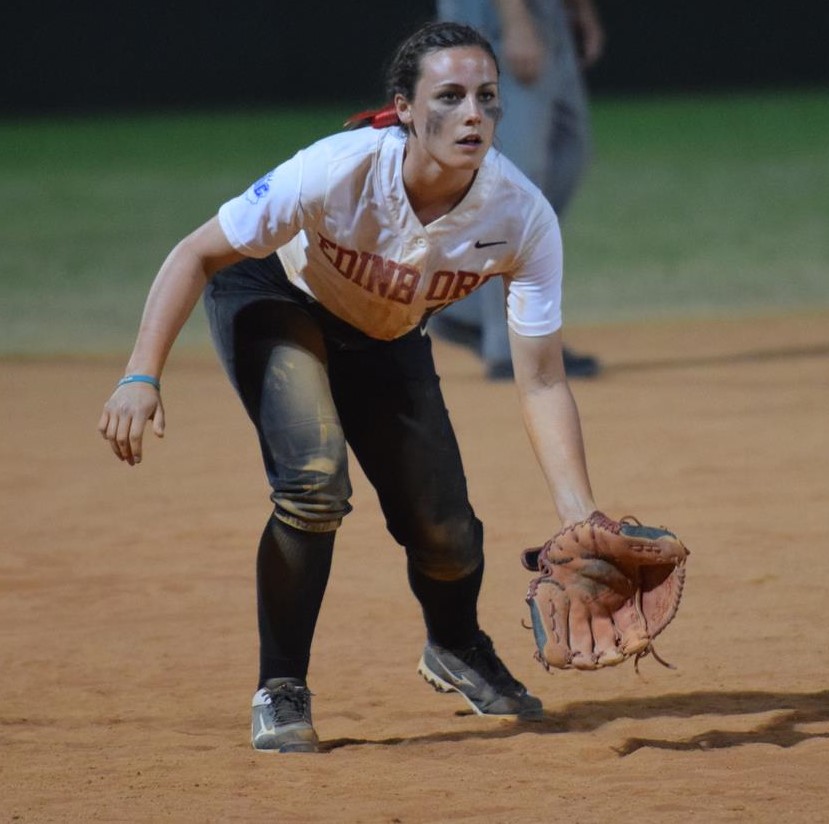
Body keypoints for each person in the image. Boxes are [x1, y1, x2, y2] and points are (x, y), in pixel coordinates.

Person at [98, 21, 599, 754]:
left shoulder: (519, 216)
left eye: (486, 98)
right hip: (276, 297)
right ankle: (281, 687)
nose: (473, 114)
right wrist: (141, 374)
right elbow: (197, 251)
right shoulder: (338, 170)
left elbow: (544, 378)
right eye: (450, 96)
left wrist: (577, 512)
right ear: (403, 108)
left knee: (447, 529)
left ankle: (456, 647)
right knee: (313, 482)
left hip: (387, 334)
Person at [430, 0, 604, 380]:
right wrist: (515, 19)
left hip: (545, 15)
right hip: (495, 16)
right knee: (513, 182)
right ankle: (512, 341)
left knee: (567, 156)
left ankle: (466, 309)